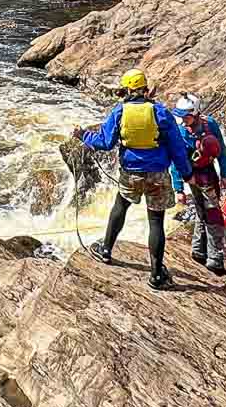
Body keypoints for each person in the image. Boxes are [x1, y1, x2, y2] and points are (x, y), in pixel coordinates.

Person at [74, 68, 193, 291]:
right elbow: (177, 147)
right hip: (158, 173)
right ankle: (157, 275)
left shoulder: (119, 112)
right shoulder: (161, 112)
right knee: (156, 221)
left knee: (120, 206)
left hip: (131, 172)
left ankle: (106, 250)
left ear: (127, 90)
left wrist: (83, 136)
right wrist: (187, 174)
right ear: (145, 89)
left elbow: (106, 142)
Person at [169, 94, 226, 275]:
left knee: (208, 211)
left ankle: (202, 252)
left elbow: (222, 149)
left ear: (196, 113)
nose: (182, 120)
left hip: (208, 171)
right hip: (191, 175)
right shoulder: (180, 131)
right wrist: (178, 188)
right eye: (180, 116)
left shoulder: (209, 124)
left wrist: (225, 173)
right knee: (209, 212)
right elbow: (176, 160)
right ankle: (212, 258)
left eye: (185, 116)